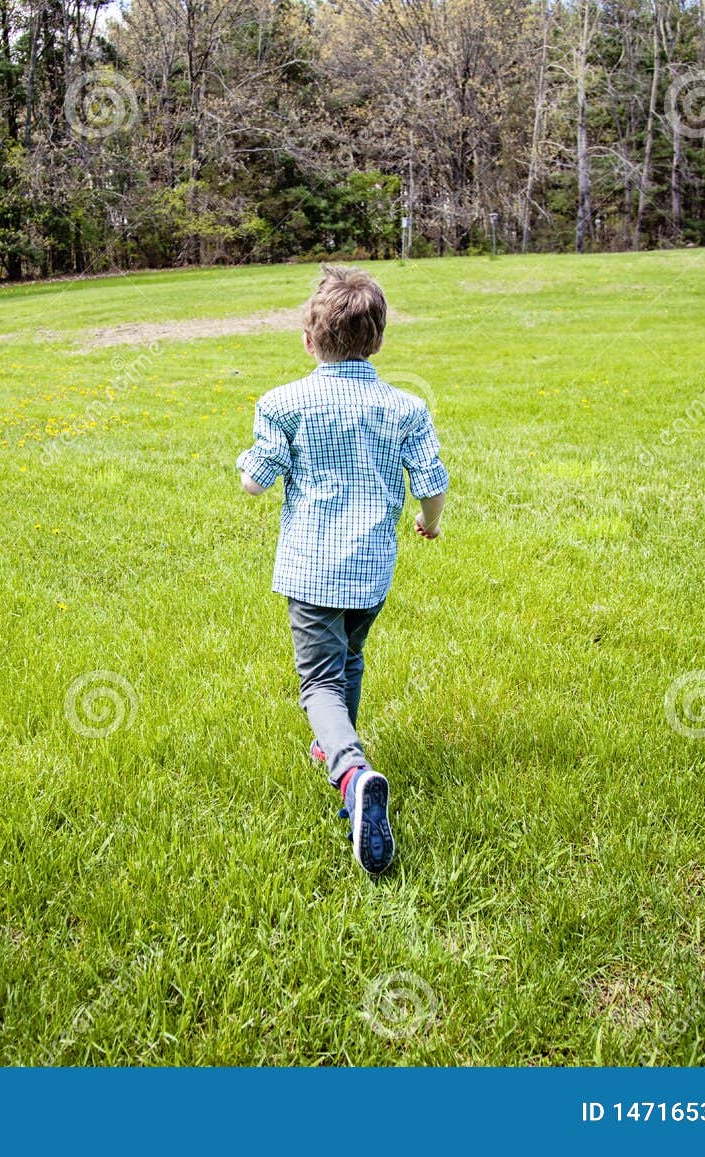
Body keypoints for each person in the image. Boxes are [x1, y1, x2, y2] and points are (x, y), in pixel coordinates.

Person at [236, 265, 448, 874]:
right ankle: (334, 742)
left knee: (318, 684)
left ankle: (351, 775)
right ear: (378, 339)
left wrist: (248, 460)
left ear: (309, 340)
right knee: (349, 659)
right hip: (371, 572)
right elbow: (432, 483)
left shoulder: (284, 403)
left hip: (310, 573)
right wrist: (430, 524)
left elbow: (255, 482)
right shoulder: (404, 407)